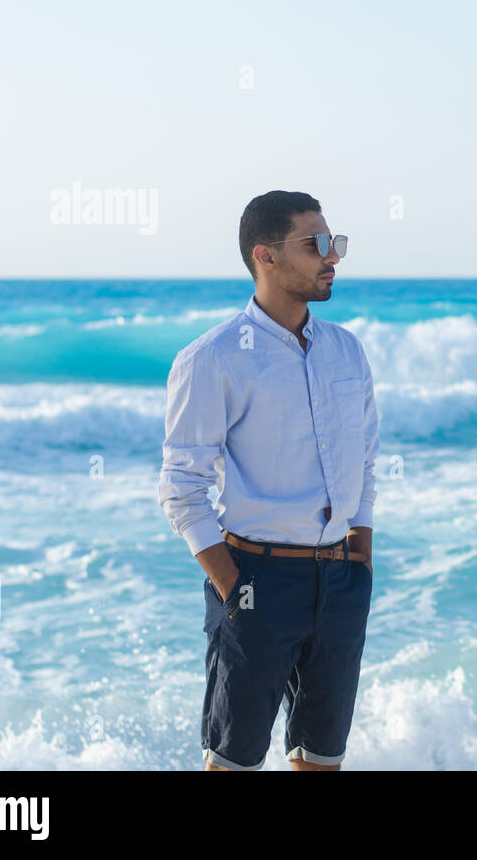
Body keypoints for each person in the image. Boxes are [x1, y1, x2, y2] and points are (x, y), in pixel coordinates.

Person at [157, 190, 379, 771]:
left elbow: (367, 464)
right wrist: (234, 585)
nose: (331, 257)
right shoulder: (214, 358)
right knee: (233, 763)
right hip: (256, 582)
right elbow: (181, 488)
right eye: (316, 244)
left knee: (321, 759)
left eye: (334, 243)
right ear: (267, 256)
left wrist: (360, 558)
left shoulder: (347, 351)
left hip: (340, 583)